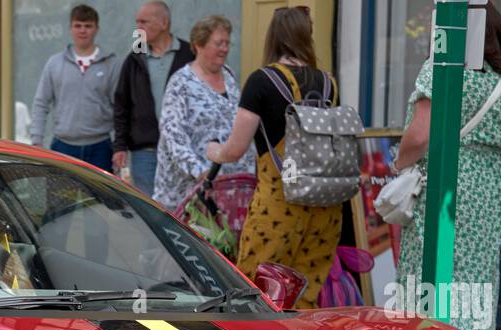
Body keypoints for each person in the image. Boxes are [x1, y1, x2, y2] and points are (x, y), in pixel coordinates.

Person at [392, 1, 501, 330]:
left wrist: (399, 163)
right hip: (490, 191)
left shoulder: (439, 70)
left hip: (443, 188)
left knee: (428, 280)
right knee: (478, 287)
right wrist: (491, 194)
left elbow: (421, 135)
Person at [206, 7, 340, 308]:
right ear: (307, 36)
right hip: (324, 207)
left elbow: (236, 149)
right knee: (305, 297)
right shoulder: (329, 83)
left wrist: (214, 151)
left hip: (279, 207)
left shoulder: (261, 81)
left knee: (255, 294)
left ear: (274, 37)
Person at [153, 15, 252, 208]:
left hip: (228, 191)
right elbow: (173, 136)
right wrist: (201, 172)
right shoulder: (181, 83)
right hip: (188, 194)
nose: (225, 48)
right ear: (199, 45)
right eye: (218, 43)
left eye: (227, 43)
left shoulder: (229, 75)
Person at [113, 1, 193, 194]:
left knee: (184, 207)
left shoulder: (189, 55)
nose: (138, 28)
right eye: (137, 22)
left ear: (164, 23)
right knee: (150, 208)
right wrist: (120, 146)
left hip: (183, 149)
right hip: (145, 151)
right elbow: (121, 105)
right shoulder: (135, 58)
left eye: (144, 22)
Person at [30, 4, 121, 172]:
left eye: (88, 26)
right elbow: (41, 103)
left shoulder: (111, 64)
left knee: (100, 199)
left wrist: (120, 146)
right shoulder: (55, 63)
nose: (83, 31)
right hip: (63, 147)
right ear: (70, 28)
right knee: (59, 198)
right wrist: (37, 140)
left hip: (100, 148)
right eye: (78, 26)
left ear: (97, 29)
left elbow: (120, 108)